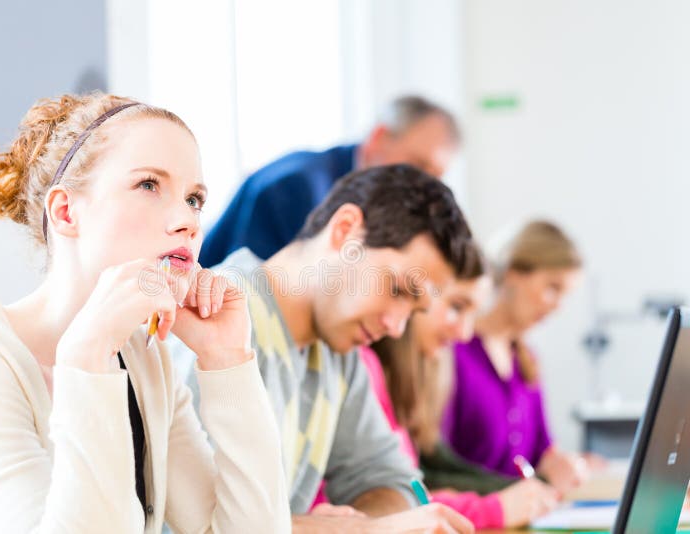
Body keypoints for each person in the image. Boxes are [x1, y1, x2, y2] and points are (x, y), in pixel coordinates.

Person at [0, 93, 290, 533]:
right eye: (149, 185)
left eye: (194, 199)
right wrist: (88, 354)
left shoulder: (144, 360)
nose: (188, 221)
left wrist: (227, 358)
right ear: (65, 212)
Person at [173, 164, 476, 532]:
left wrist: (360, 523)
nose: (395, 328)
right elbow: (192, 522)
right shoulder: (213, 313)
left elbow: (394, 480)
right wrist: (353, 530)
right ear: (345, 230)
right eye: (397, 289)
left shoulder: (339, 352)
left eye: (412, 313)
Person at [367, 243, 560, 529]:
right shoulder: (369, 372)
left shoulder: (417, 377)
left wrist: (525, 490)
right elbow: (403, 496)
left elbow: (426, 468)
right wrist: (496, 505)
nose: (465, 333)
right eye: (456, 307)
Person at [199, 95, 461, 266]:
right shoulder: (298, 188)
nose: (420, 185)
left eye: (432, 178)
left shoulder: (370, 201)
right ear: (379, 137)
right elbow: (251, 294)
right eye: (416, 166)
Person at [442, 220, 588, 495]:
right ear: (512, 273)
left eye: (563, 295)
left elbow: (542, 452)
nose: (557, 306)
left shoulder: (527, 361)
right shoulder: (454, 352)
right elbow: (438, 465)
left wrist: (564, 465)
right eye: (552, 288)